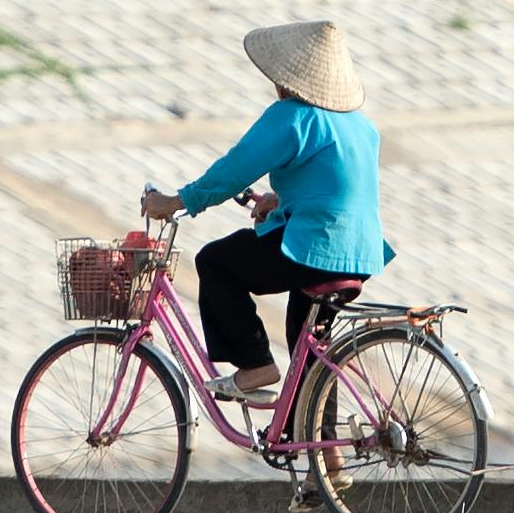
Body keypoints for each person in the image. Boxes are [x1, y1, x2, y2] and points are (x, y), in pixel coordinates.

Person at [141, 20, 381, 414]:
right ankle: (325, 454)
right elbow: (333, 187)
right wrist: (279, 199)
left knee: (216, 262)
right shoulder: (360, 125)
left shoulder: (291, 115)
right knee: (309, 345)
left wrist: (178, 201)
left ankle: (254, 365)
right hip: (360, 250)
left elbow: (235, 169)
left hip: (317, 245)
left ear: (286, 78)